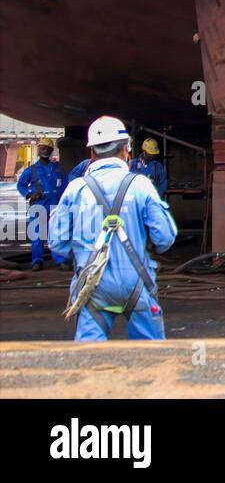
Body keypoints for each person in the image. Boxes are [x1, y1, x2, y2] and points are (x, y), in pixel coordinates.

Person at [50, 116, 177, 341]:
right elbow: (165, 238)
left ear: (91, 154)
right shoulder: (141, 185)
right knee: (154, 359)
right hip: (136, 282)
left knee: (90, 361)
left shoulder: (76, 189)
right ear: (126, 151)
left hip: (93, 284)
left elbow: (57, 243)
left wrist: (83, 253)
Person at [16, 136, 65, 270]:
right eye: (41, 148)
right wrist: (29, 194)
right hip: (39, 205)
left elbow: (66, 187)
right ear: (38, 150)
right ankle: (37, 261)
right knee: (37, 234)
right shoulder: (31, 170)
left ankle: (60, 260)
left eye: (46, 148)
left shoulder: (58, 169)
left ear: (50, 150)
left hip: (55, 205)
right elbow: (21, 185)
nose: (43, 150)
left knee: (55, 233)